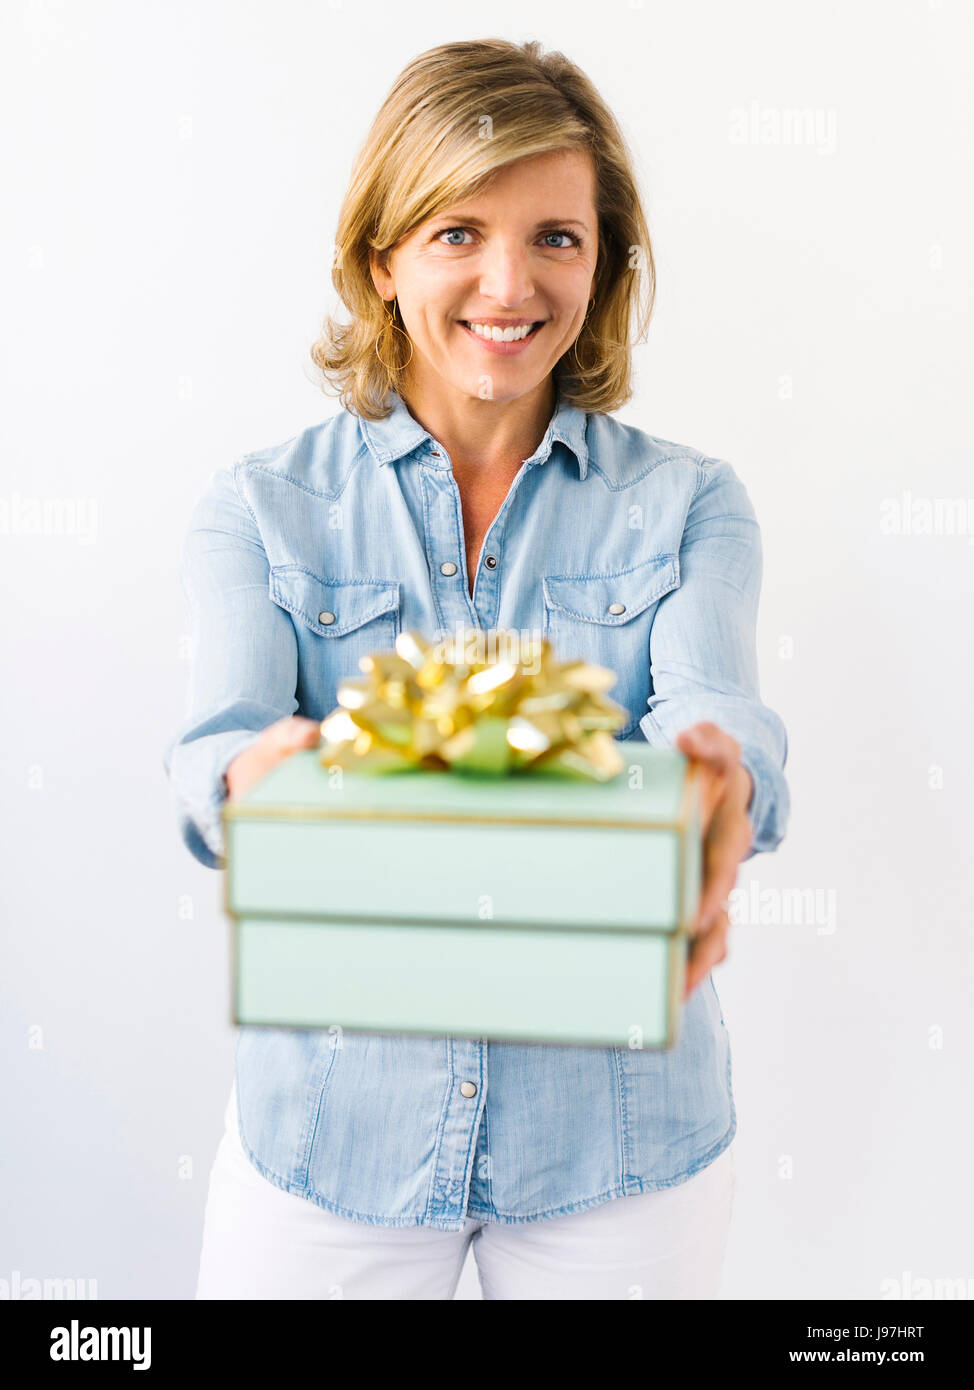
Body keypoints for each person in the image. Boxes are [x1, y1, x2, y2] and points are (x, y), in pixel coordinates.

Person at [163, 37, 790, 1300]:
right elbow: (211, 748)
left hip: (620, 1146)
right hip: (334, 1137)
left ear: (603, 260)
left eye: (556, 236)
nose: (509, 282)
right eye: (458, 229)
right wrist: (257, 778)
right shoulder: (261, 505)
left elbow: (717, 714)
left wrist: (716, 783)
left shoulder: (687, 503)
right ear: (381, 257)